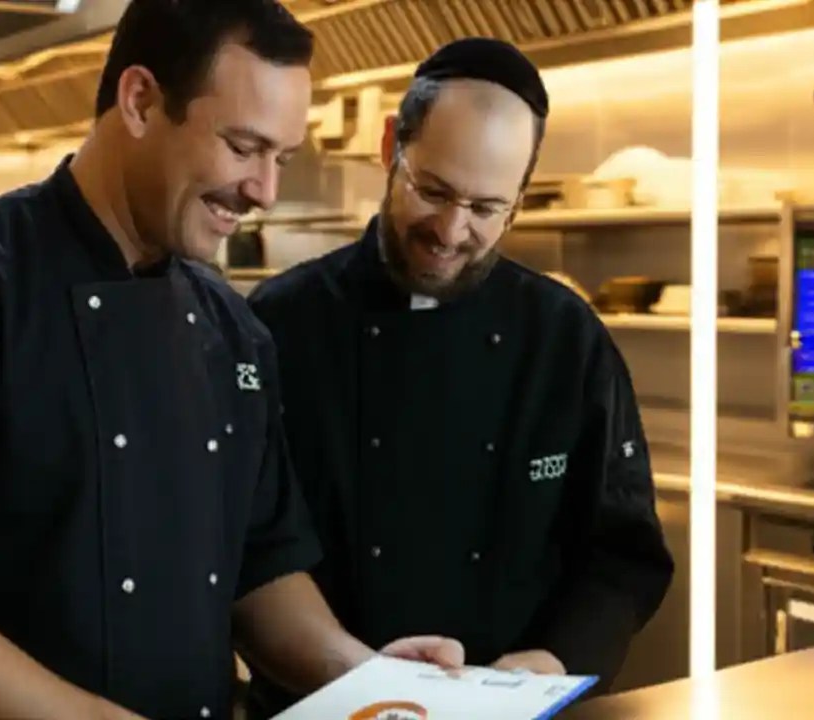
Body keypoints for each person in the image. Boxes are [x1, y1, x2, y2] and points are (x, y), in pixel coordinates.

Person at [0, 2, 463, 719]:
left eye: (282, 158)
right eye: (243, 147)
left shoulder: (232, 332)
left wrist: (368, 677)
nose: (265, 191)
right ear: (141, 101)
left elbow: (260, 564)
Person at [244, 37, 675, 717]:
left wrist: (551, 662)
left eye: (485, 208)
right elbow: (249, 549)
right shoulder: (279, 324)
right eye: (434, 191)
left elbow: (622, 553)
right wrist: (360, 678)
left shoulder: (565, 339)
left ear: (520, 198)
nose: (449, 231)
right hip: (321, 703)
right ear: (391, 146)